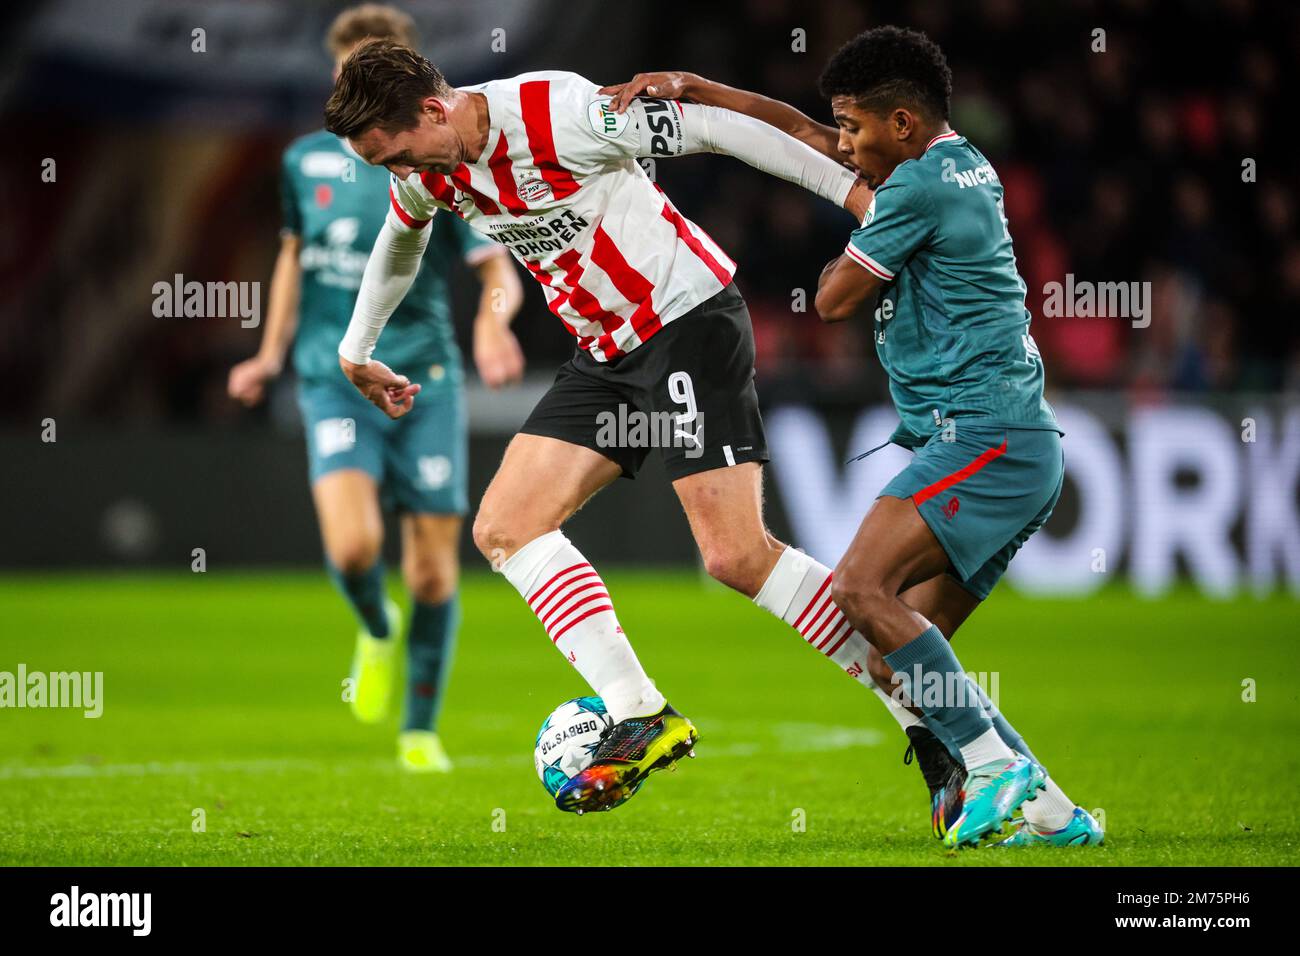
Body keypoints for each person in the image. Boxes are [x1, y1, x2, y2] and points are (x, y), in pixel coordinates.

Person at [323, 39, 888, 813]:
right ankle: (640, 713)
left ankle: (917, 703)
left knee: (735, 556)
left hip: (684, 317)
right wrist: (358, 351)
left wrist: (856, 200)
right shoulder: (432, 167)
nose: (403, 178)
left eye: (398, 157)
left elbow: (717, 129)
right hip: (608, 354)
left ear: (434, 108)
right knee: (505, 527)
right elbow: (401, 239)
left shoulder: (557, 112)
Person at [602, 26, 1102, 848]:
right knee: (888, 655)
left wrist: (865, 222)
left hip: (982, 437)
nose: (843, 143)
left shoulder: (914, 192)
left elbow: (834, 297)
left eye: (856, 127)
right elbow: (803, 134)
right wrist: (703, 88)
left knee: (857, 591)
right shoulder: (956, 158)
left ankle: (994, 766)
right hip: (1014, 444)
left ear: (902, 123)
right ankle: (1052, 814)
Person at [228, 5, 524, 773]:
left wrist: (493, 324)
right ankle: (376, 626)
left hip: (424, 378)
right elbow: (294, 258)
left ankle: (419, 729)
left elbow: (494, 264)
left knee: (432, 570)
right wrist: (269, 354)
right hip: (334, 377)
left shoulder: (434, 160)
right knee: (356, 547)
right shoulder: (305, 163)